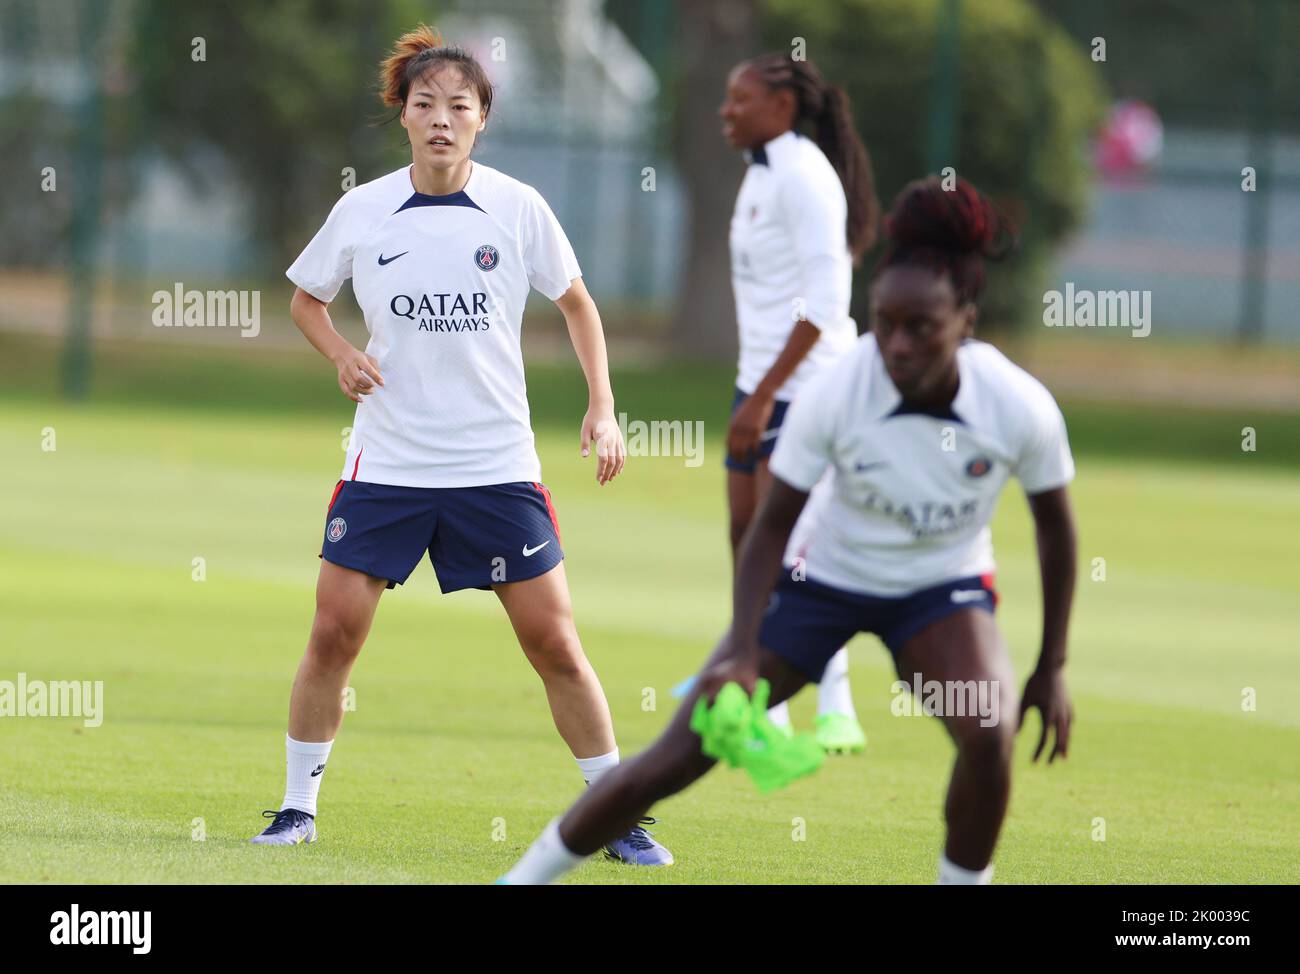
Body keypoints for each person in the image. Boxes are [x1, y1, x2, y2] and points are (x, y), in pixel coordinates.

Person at [502, 176, 1078, 885]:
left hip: (940, 591)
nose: (897, 345)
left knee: (989, 734)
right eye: (884, 322)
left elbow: (1057, 533)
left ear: (965, 318)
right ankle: (522, 880)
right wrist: (742, 652)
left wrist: (1052, 667)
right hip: (821, 584)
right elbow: (772, 526)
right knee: (681, 754)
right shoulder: (838, 391)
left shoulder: (1017, 405)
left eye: (920, 327)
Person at [249, 25, 671, 866]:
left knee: (555, 644)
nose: (442, 118)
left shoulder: (518, 207)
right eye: (425, 104)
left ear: (483, 119)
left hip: (495, 467)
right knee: (333, 635)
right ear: (403, 115)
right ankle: (296, 810)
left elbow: (578, 303)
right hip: (387, 465)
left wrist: (603, 406)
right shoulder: (363, 209)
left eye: (460, 106)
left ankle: (615, 816)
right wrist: (341, 355)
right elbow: (305, 299)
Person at [719, 53, 880, 751]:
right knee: (745, 535)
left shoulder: (807, 177)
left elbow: (826, 304)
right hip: (758, 381)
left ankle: (820, 705)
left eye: (740, 99)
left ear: (781, 107)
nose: (726, 110)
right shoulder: (760, 173)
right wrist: (753, 390)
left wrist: (763, 397)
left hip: (807, 386)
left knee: (790, 548)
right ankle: (762, 686)